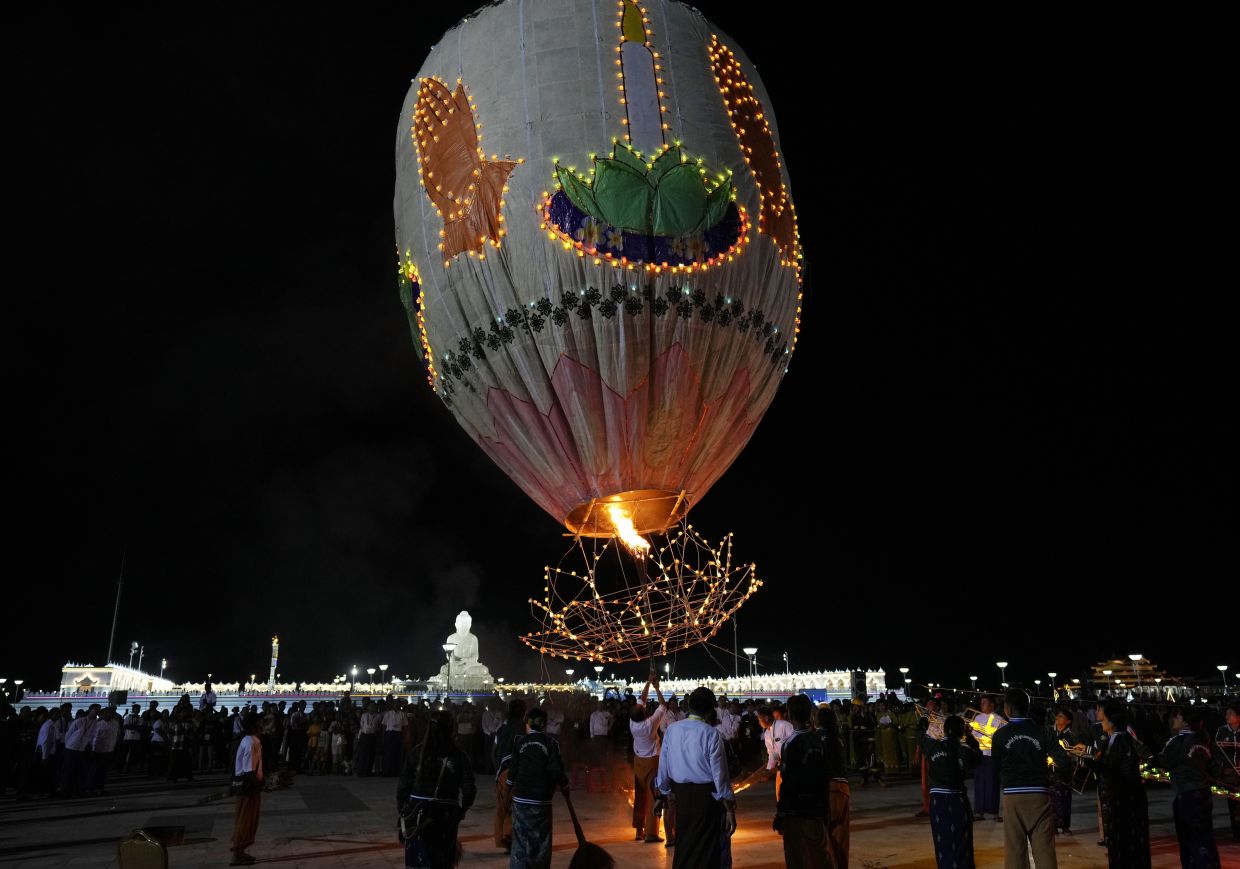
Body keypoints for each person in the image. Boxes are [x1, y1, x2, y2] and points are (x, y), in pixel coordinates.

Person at [655, 686, 736, 869]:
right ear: (710, 710)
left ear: (689, 706)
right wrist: (729, 808)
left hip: (682, 797)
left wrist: (662, 794)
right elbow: (720, 775)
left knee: (684, 844)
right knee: (707, 849)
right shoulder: (712, 734)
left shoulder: (672, 730)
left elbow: (664, 765)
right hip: (706, 799)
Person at [397, 709, 476, 868]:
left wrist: (403, 811)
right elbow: (469, 790)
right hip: (445, 815)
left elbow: (403, 786)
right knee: (442, 861)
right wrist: (462, 811)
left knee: (418, 859)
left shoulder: (417, 753)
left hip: (417, 814)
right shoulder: (458, 755)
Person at [992, 689, 1057, 869]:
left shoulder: (1000, 735)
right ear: (1027, 708)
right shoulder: (1043, 732)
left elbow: (994, 767)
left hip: (1012, 795)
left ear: (1008, 709)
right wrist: (1051, 778)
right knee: (1045, 849)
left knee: (1015, 849)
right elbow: (1064, 762)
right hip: (1040, 794)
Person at [1083, 700, 1148, 869]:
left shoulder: (1119, 739)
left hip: (1125, 797)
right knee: (1128, 841)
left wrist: (1089, 762)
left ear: (1111, 720)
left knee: (1124, 842)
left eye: (1103, 717)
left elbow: (1112, 769)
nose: (1101, 721)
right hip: (1126, 795)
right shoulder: (1117, 738)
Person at [1154, 707, 1221, 868]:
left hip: (1186, 794)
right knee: (1205, 836)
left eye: (1177, 717)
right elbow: (1214, 767)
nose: (1173, 720)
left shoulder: (1178, 741)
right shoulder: (1203, 739)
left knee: (1189, 838)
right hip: (1204, 792)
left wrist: (1148, 757)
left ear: (1185, 722)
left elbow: (1162, 761)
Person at [506, 707, 568, 869]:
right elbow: (556, 770)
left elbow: (513, 770)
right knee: (541, 841)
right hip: (541, 801)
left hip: (520, 799)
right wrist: (564, 785)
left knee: (520, 840)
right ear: (544, 724)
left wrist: (507, 790)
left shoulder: (520, 742)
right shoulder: (551, 743)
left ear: (529, 724)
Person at [774, 694, 831, 869]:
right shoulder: (819, 740)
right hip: (818, 807)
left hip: (797, 811)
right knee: (819, 855)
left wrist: (782, 813)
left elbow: (788, 782)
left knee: (798, 857)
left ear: (790, 715)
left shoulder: (791, 743)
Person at [920, 713, 982, 869]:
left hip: (938, 803)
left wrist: (925, 720)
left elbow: (921, 736)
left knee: (942, 842)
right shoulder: (964, 751)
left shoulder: (932, 746)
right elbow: (978, 756)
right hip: (958, 801)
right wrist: (970, 737)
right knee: (962, 842)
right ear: (962, 732)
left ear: (945, 730)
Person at [630, 675, 668, 842]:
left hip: (638, 763)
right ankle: (651, 833)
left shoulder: (632, 722)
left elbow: (642, 699)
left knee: (640, 796)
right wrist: (657, 687)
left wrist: (647, 681)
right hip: (652, 762)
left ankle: (639, 831)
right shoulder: (649, 724)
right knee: (654, 796)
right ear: (645, 712)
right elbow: (663, 706)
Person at [814, 704, 850, 869]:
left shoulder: (816, 737)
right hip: (843, 787)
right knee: (841, 836)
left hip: (826, 788)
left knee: (824, 835)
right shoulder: (838, 737)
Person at [492, 699, 526, 853]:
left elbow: (493, 751)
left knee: (502, 808)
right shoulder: (522, 729)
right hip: (514, 772)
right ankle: (509, 838)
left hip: (501, 773)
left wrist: (497, 770)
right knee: (513, 809)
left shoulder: (501, 729)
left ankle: (502, 839)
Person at [231, 712, 264, 866]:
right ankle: (238, 853)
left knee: (244, 819)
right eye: (260, 722)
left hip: (247, 787)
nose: (262, 724)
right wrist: (260, 785)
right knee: (247, 820)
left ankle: (240, 852)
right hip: (249, 788)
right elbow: (249, 769)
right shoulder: (251, 742)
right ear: (254, 725)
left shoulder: (248, 740)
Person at [1047, 705, 1085, 834]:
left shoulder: (1071, 736)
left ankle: (1064, 826)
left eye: (1062, 716)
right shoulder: (1049, 731)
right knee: (1050, 799)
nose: (1058, 718)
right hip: (1049, 770)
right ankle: (1053, 825)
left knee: (1064, 798)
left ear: (1068, 721)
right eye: (1058, 715)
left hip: (1064, 771)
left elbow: (1074, 752)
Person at [971, 695, 1006, 821]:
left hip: (992, 755)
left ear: (992, 705)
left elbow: (1001, 738)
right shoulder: (978, 718)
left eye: (984, 703)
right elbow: (974, 735)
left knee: (992, 783)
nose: (982, 705)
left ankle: (993, 812)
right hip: (979, 754)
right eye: (981, 703)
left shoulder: (999, 720)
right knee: (979, 782)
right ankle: (979, 811)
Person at [1215, 704, 1239, 842]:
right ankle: (1236, 831)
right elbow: (1218, 753)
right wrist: (1225, 767)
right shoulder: (1222, 731)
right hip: (1230, 775)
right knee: (1232, 803)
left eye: (1230, 713)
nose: (1227, 716)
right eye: (1227, 713)